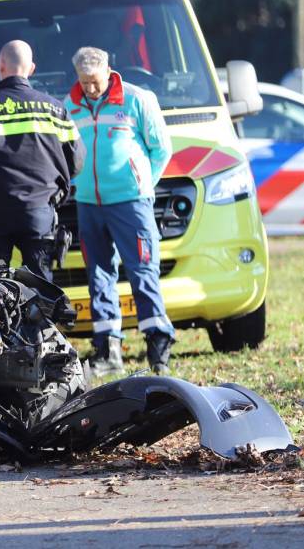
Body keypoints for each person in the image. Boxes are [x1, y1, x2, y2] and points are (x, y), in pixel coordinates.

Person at [67, 46, 174, 375]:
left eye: (95, 82)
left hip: (131, 202)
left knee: (143, 271)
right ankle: (107, 349)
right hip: (89, 203)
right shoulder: (70, 104)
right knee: (98, 276)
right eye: (84, 82)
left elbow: (161, 149)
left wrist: (142, 184)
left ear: (109, 71)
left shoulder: (138, 99)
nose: (90, 89)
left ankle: (158, 347)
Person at [0, 40, 83, 281]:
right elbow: (76, 162)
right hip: (39, 212)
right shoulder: (55, 109)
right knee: (41, 288)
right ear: (31, 68)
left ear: (0, 65)